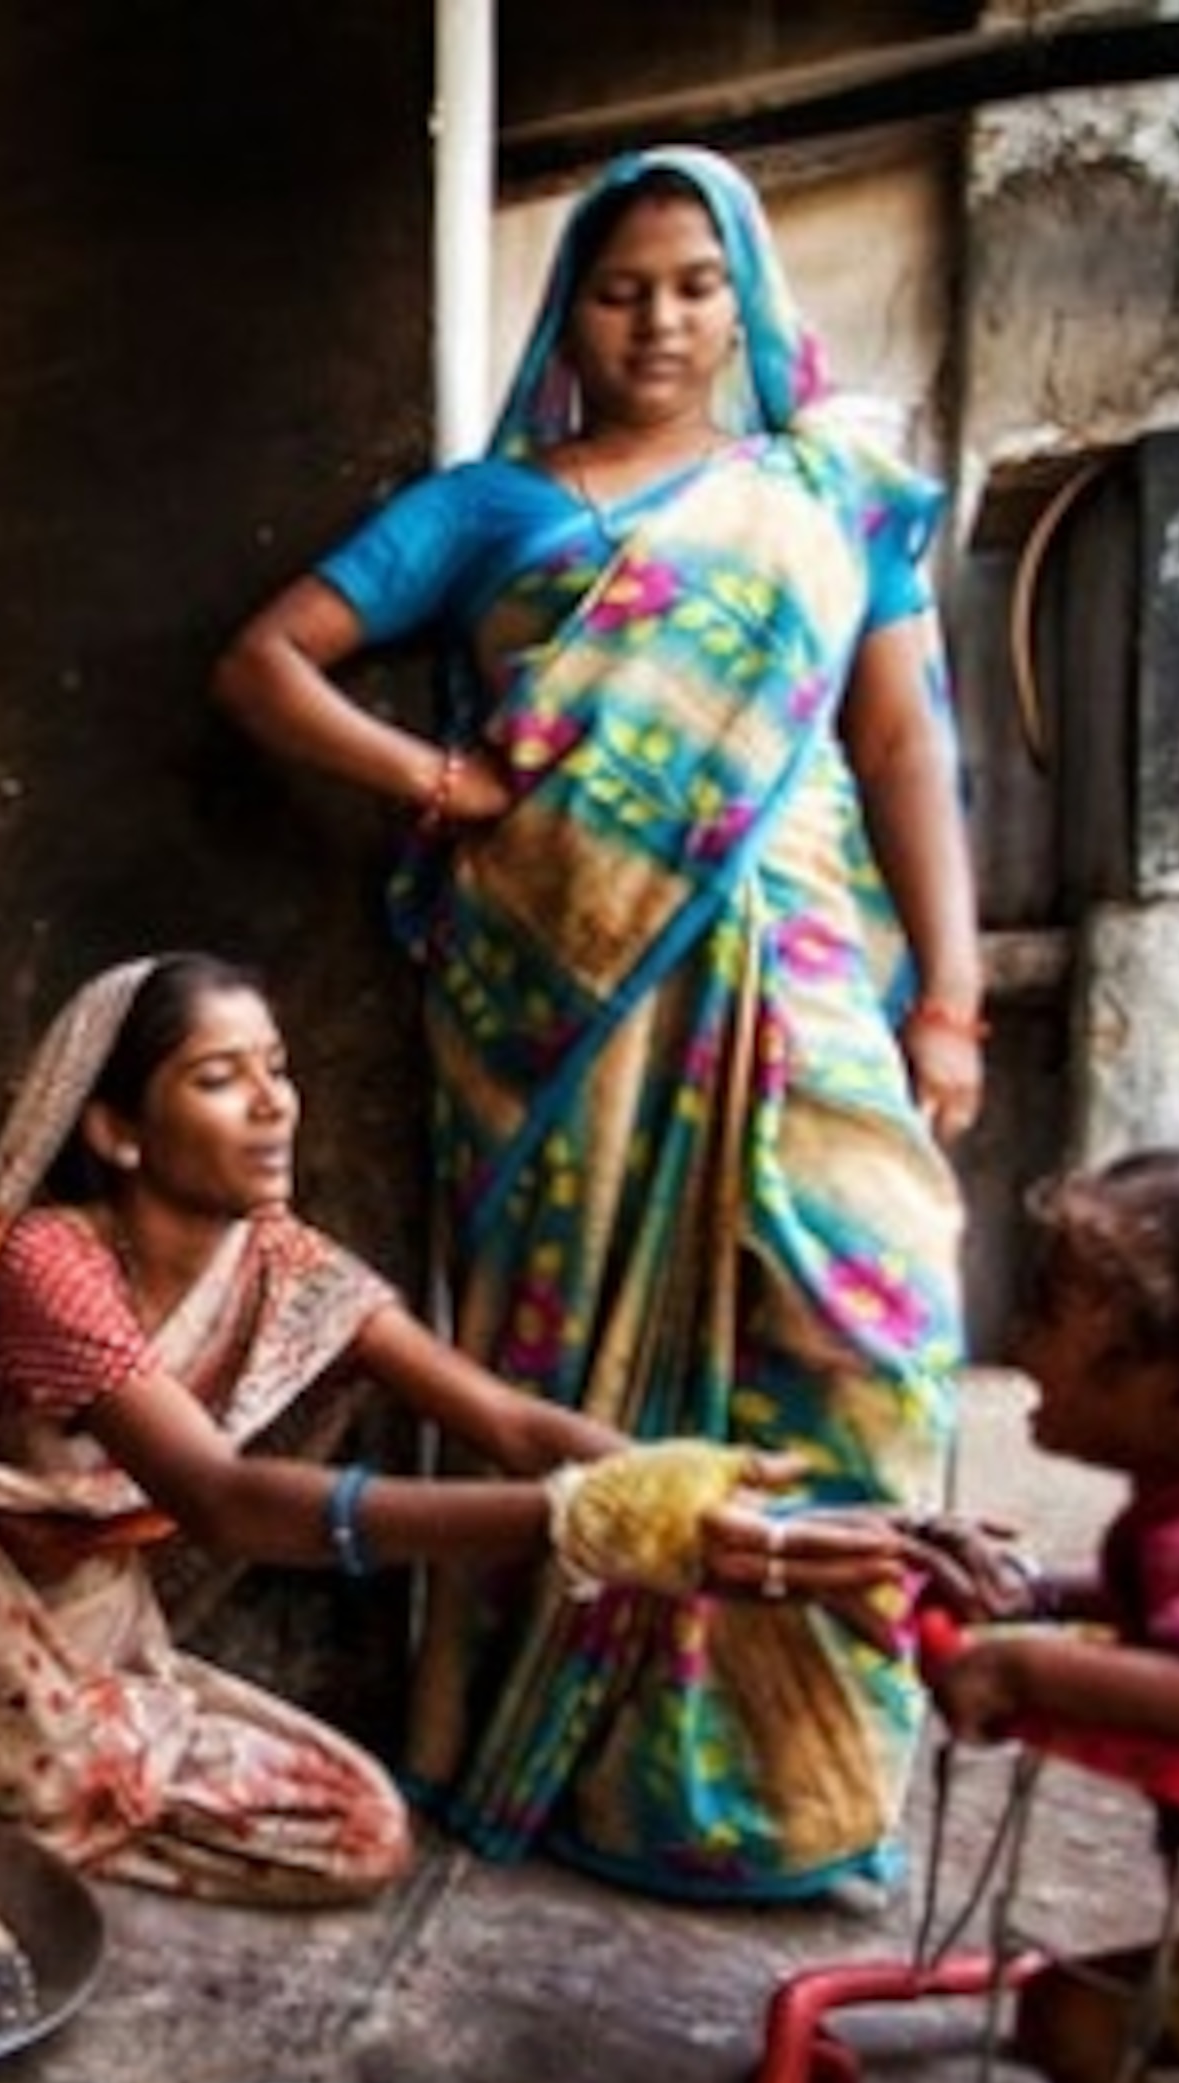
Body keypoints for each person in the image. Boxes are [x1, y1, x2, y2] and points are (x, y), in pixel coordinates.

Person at [209, 144, 981, 1902]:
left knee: (868, 1334)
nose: (657, 319)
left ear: (745, 301)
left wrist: (946, 991)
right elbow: (265, 659)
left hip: (789, 971)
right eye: (621, 286)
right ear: (572, 306)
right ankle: (579, 1766)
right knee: (558, 1383)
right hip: (547, 1012)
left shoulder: (825, 494)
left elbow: (902, 743)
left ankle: (798, 1786)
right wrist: (432, 775)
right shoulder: (491, 508)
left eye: (693, 286)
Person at [0, 952, 917, 1905]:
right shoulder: (55, 1263)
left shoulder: (280, 1264)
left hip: (94, 1649)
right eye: (222, 1079)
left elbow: (508, 1421)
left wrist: (707, 1502)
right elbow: (226, 1499)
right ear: (115, 1130)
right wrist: (578, 1527)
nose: (276, 1103)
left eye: (277, 1072)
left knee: (361, 1828)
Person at [921, 1150, 1179, 2083]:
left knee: (1072, 2020)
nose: (1023, 1340)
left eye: (1050, 1315)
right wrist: (1039, 1597)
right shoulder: (1178, 1515)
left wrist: (1033, 1674)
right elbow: (1158, 1607)